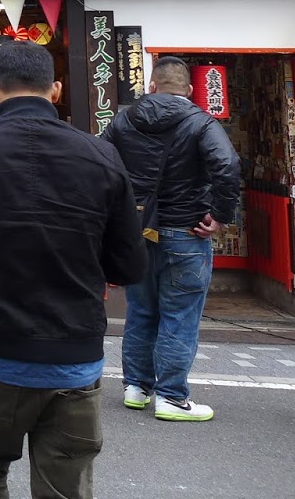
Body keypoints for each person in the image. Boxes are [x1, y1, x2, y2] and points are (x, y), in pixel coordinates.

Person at [0, 40, 146, 499]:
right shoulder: (102, 155)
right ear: (56, 89)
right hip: (75, 354)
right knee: (65, 489)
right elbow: (128, 265)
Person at [103, 55, 241, 423]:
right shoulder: (200, 122)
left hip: (138, 231)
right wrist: (220, 216)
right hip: (187, 232)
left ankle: (136, 387)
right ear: (191, 90)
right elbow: (226, 165)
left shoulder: (124, 119)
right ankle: (171, 396)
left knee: (142, 310)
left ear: (151, 86)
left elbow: (102, 162)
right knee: (179, 314)